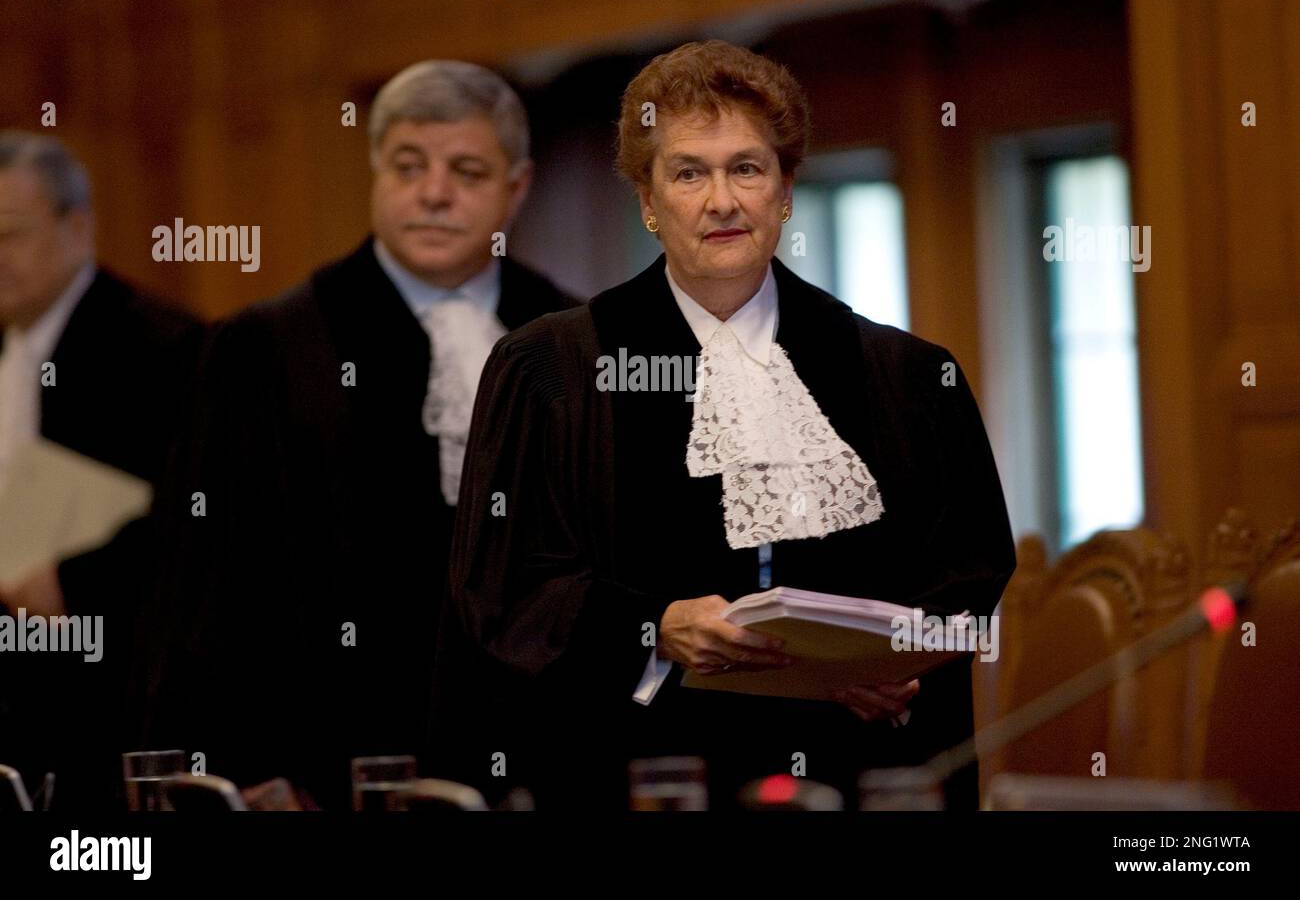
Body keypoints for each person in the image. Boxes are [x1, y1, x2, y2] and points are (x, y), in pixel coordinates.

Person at [440, 40, 1016, 810]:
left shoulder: (907, 376)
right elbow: (501, 588)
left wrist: (901, 660)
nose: (722, 200)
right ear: (647, 201)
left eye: (747, 167)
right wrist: (652, 625)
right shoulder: (548, 370)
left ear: (784, 192)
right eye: (688, 173)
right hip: (637, 773)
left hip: (846, 773)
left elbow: (970, 571)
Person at [148, 61, 578, 808]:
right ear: (376, 170)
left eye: (467, 171)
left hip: (537, 755)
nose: (434, 193)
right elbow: (203, 575)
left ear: (517, 187)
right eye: (409, 166)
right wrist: (236, 766)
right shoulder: (264, 344)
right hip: (322, 761)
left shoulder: (574, 341)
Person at [0, 131, 203, 809]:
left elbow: (201, 521)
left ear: (76, 228)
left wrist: (72, 582)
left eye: (10, 233)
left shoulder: (161, 346)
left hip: (114, 690)